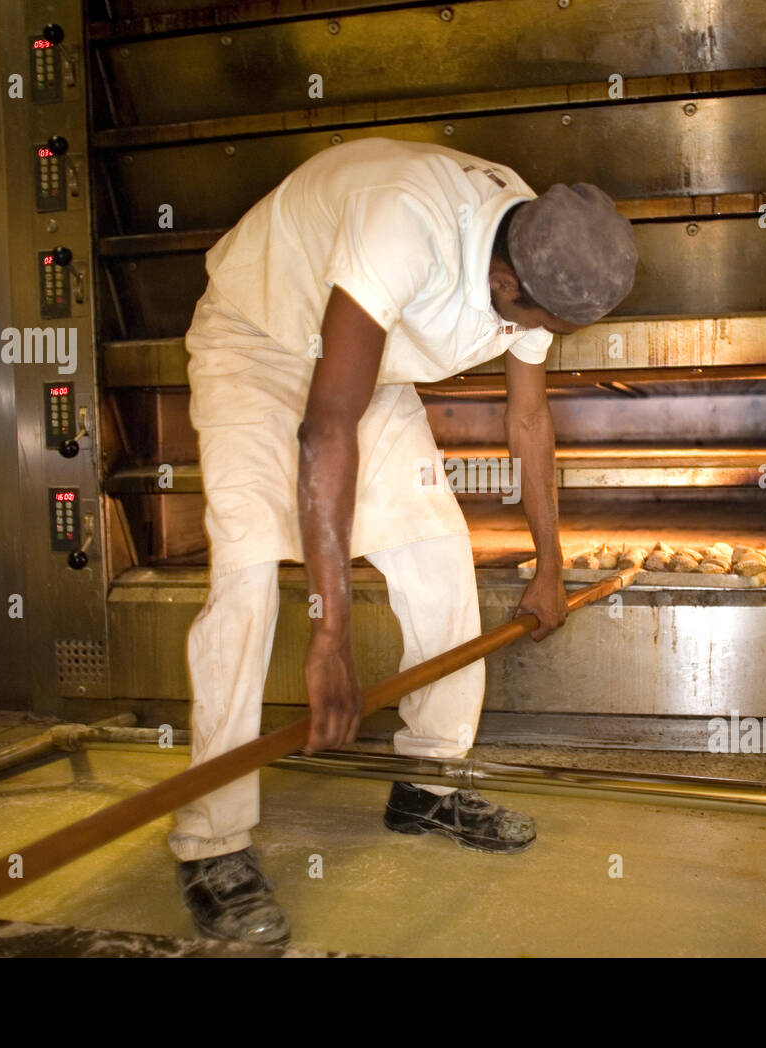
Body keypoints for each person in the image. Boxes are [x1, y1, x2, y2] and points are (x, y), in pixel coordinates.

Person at [172, 137, 637, 943]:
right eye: (543, 324)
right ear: (504, 283)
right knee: (247, 576)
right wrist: (330, 631)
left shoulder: (535, 236)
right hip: (256, 344)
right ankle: (211, 842)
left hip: (365, 369)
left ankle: (426, 781)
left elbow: (526, 418)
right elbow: (326, 430)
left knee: (438, 555)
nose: (543, 336)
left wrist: (550, 564)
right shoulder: (407, 222)